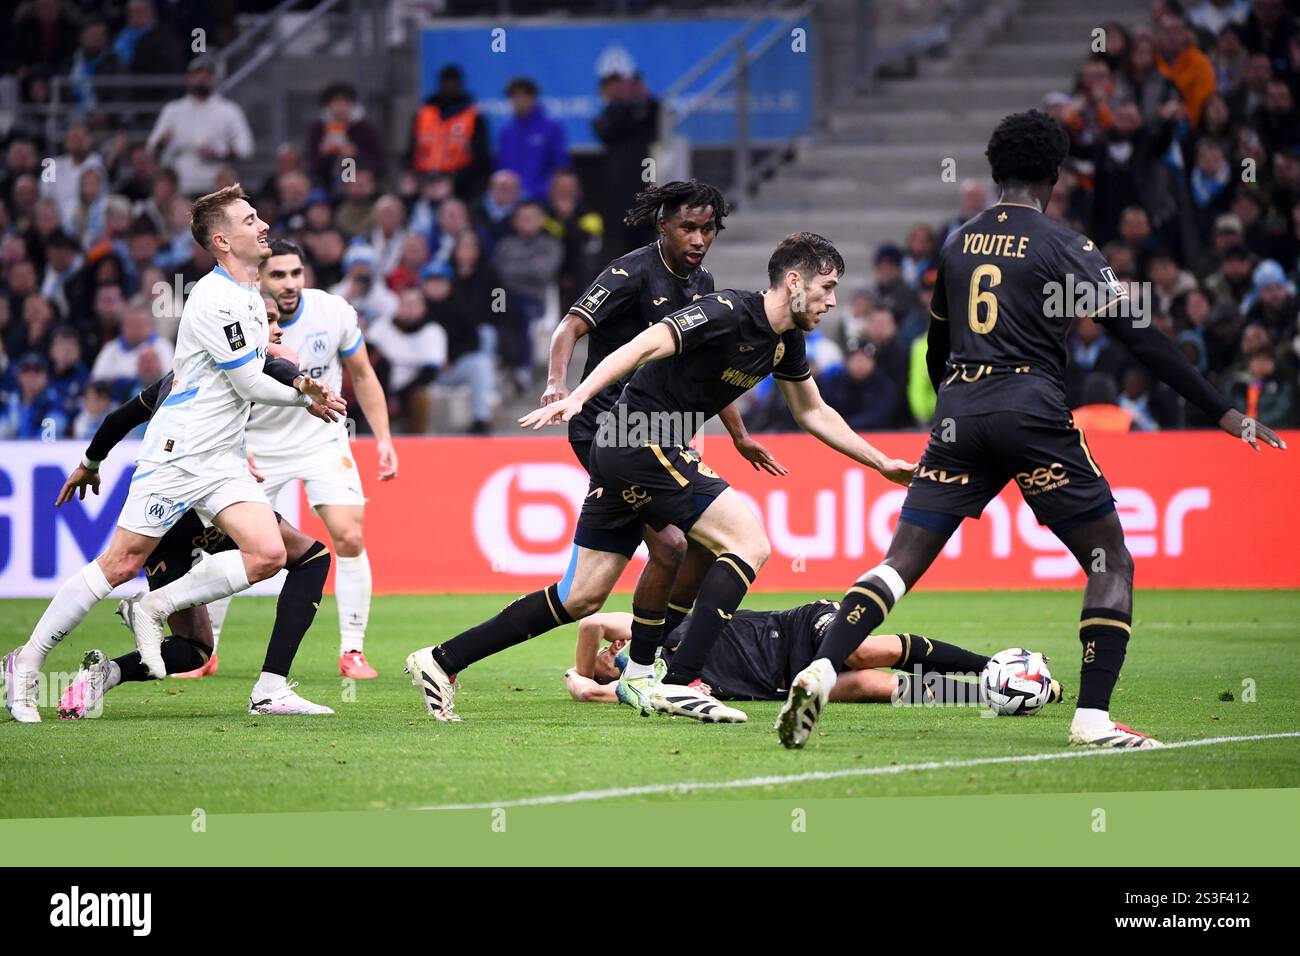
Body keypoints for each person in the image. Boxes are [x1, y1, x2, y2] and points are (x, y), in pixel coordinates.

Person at [776, 110, 1285, 751]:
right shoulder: (1065, 246)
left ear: (995, 171)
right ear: (1055, 173)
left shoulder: (957, 243)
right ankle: (1093, 720)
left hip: (961, 412)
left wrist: (960, 416)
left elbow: (937, 349)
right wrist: (1223, 411)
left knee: (899, 564)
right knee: (1110, 559)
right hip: (1032, 410)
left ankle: (822, 668)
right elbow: (1140, 336)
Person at [406, 232, 913, 725]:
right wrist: (579, 395)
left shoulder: (784, 344)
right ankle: (676, 678)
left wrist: (880, 462)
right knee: (748, 542)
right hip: (638, 437)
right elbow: (644, 345)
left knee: (581, 595)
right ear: (796, 282)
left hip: (638, 448)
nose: (832, 301)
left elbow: (814, 412)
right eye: (827, 289)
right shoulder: (726, 311)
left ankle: (442, 659)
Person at [4, 184, 345, 724]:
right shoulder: (212, 299)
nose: (263, 224)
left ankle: (157, 607)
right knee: (119, 565)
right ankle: (28, 666)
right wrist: (305, 395)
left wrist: (301, 381)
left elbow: (262, 368)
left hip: (222, 460)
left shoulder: (250, 296)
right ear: (221, 239)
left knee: (271, 555)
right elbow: (251, 383)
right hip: (179, 454)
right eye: (249, 218)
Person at [54, 291, 336, 714]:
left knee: (195, 649)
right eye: (270, 320)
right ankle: (270, 688)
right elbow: (274, 365)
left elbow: (118, 419)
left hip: (164, 500)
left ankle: (105, 673)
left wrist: (89, 463)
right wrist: (297, 380)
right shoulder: (248, 359)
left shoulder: (181, 375)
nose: (277, 329)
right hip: (203, 493)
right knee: (309, 557)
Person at [207, 239, 398, 679]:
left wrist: (384, 437)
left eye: (296, 273)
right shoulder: (238, 317)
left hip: (321, 437)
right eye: (278, 275)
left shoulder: (334, 312)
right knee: (229, 542)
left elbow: (363, 374)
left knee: (348, 535)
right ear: (259, 278)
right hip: (254, 444)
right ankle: (206, 648)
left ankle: (352, 651)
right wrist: (233, 448)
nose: (289, 283)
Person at [566, 603, 1062, 709]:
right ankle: (991, 696)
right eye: (614, 657)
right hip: (785, 681)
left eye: (617, 648)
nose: (616, 647)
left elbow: (592, 623)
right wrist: (587, 673)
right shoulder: (652, 685)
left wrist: (604, 655)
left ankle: (991, 667)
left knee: (868, 652)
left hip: (798, 626)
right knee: (875, 687)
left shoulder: (660, 631)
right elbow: (588, 689)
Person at [146, 57, 254, 196]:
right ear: (189, 78)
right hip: (182, 183)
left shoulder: (229, 111)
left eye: (207, 75)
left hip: (216, 182)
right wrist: (162, 142)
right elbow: (151, 147)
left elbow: (246, 148)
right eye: (197, 74)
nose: (202, 78)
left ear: (214, 79)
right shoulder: (173, 110)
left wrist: (219, 153)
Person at [408, 64, 492, 201]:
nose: (449, 87)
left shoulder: (473, 116)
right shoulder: (423, 114)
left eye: (453, 83)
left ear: (460, 85)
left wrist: (455, 180)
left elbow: (481, 157)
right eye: (446, 83)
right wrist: (417, 178)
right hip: (423, 184)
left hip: (462, 187)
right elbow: (411, 150)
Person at [495, 76, 569, 202]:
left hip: (541, 200)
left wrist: (546, 191)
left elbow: (560, 167)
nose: (517, 100)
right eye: (513, 96)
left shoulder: (550, 128)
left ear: (533, 97)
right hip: (510, 202)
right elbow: (500, 167)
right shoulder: (507, 132)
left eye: (522, 95)